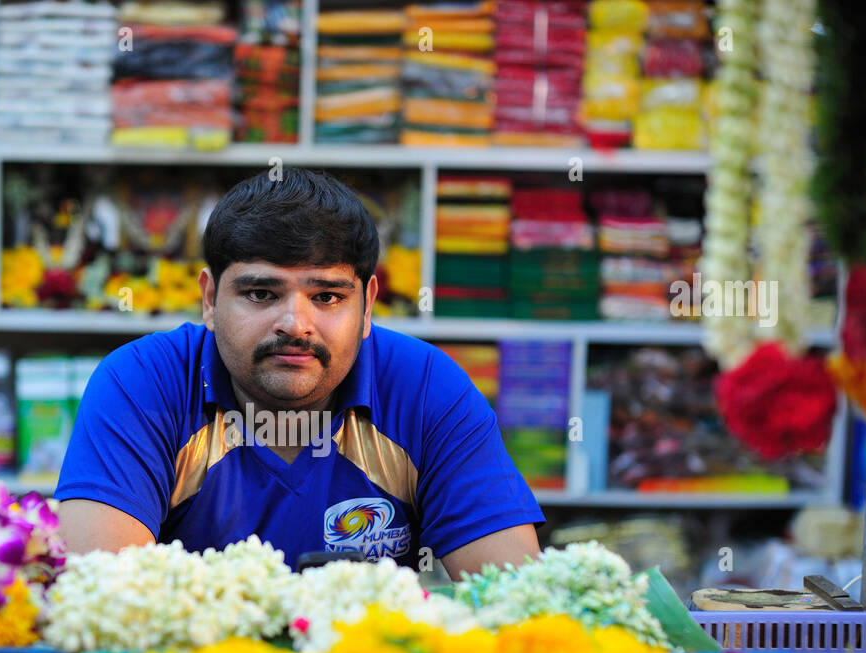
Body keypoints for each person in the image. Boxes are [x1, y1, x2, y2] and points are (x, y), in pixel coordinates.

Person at [56, 168, 543, 577]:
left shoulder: (427, 389)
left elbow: (516, 600)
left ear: (368, 304)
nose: (295, 324)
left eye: (327, 296)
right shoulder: (141, 384)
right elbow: (102, 599)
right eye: (261, 294)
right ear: (209, 299)